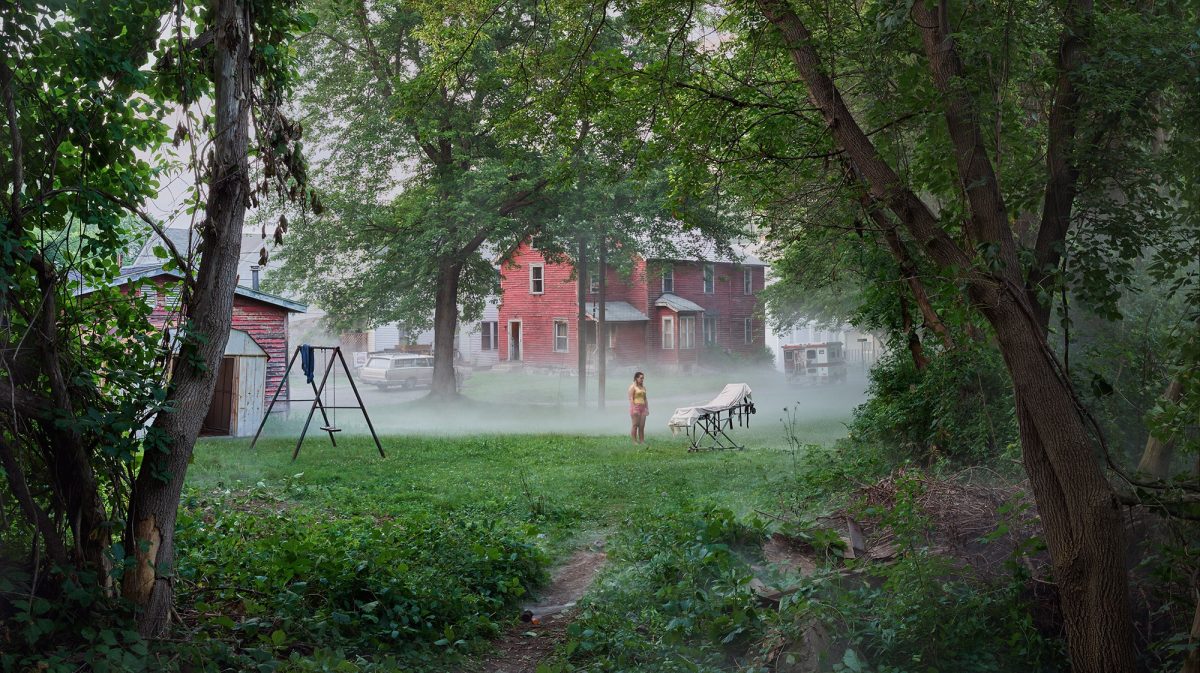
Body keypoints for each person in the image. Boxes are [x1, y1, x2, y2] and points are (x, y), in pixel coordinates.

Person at [628, 371, 649, 444]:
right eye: (641, 378)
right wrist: (634, 408)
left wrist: (647, 408)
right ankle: (634, 441)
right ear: (636, 378)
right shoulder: (632, 387)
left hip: (643, 408)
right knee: (635, 425)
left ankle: (642, 440)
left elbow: (645, 399)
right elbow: (630, 398)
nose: (642, 380)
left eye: (643, 378)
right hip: (636, 407)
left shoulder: (643, 387)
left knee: (642, 426)